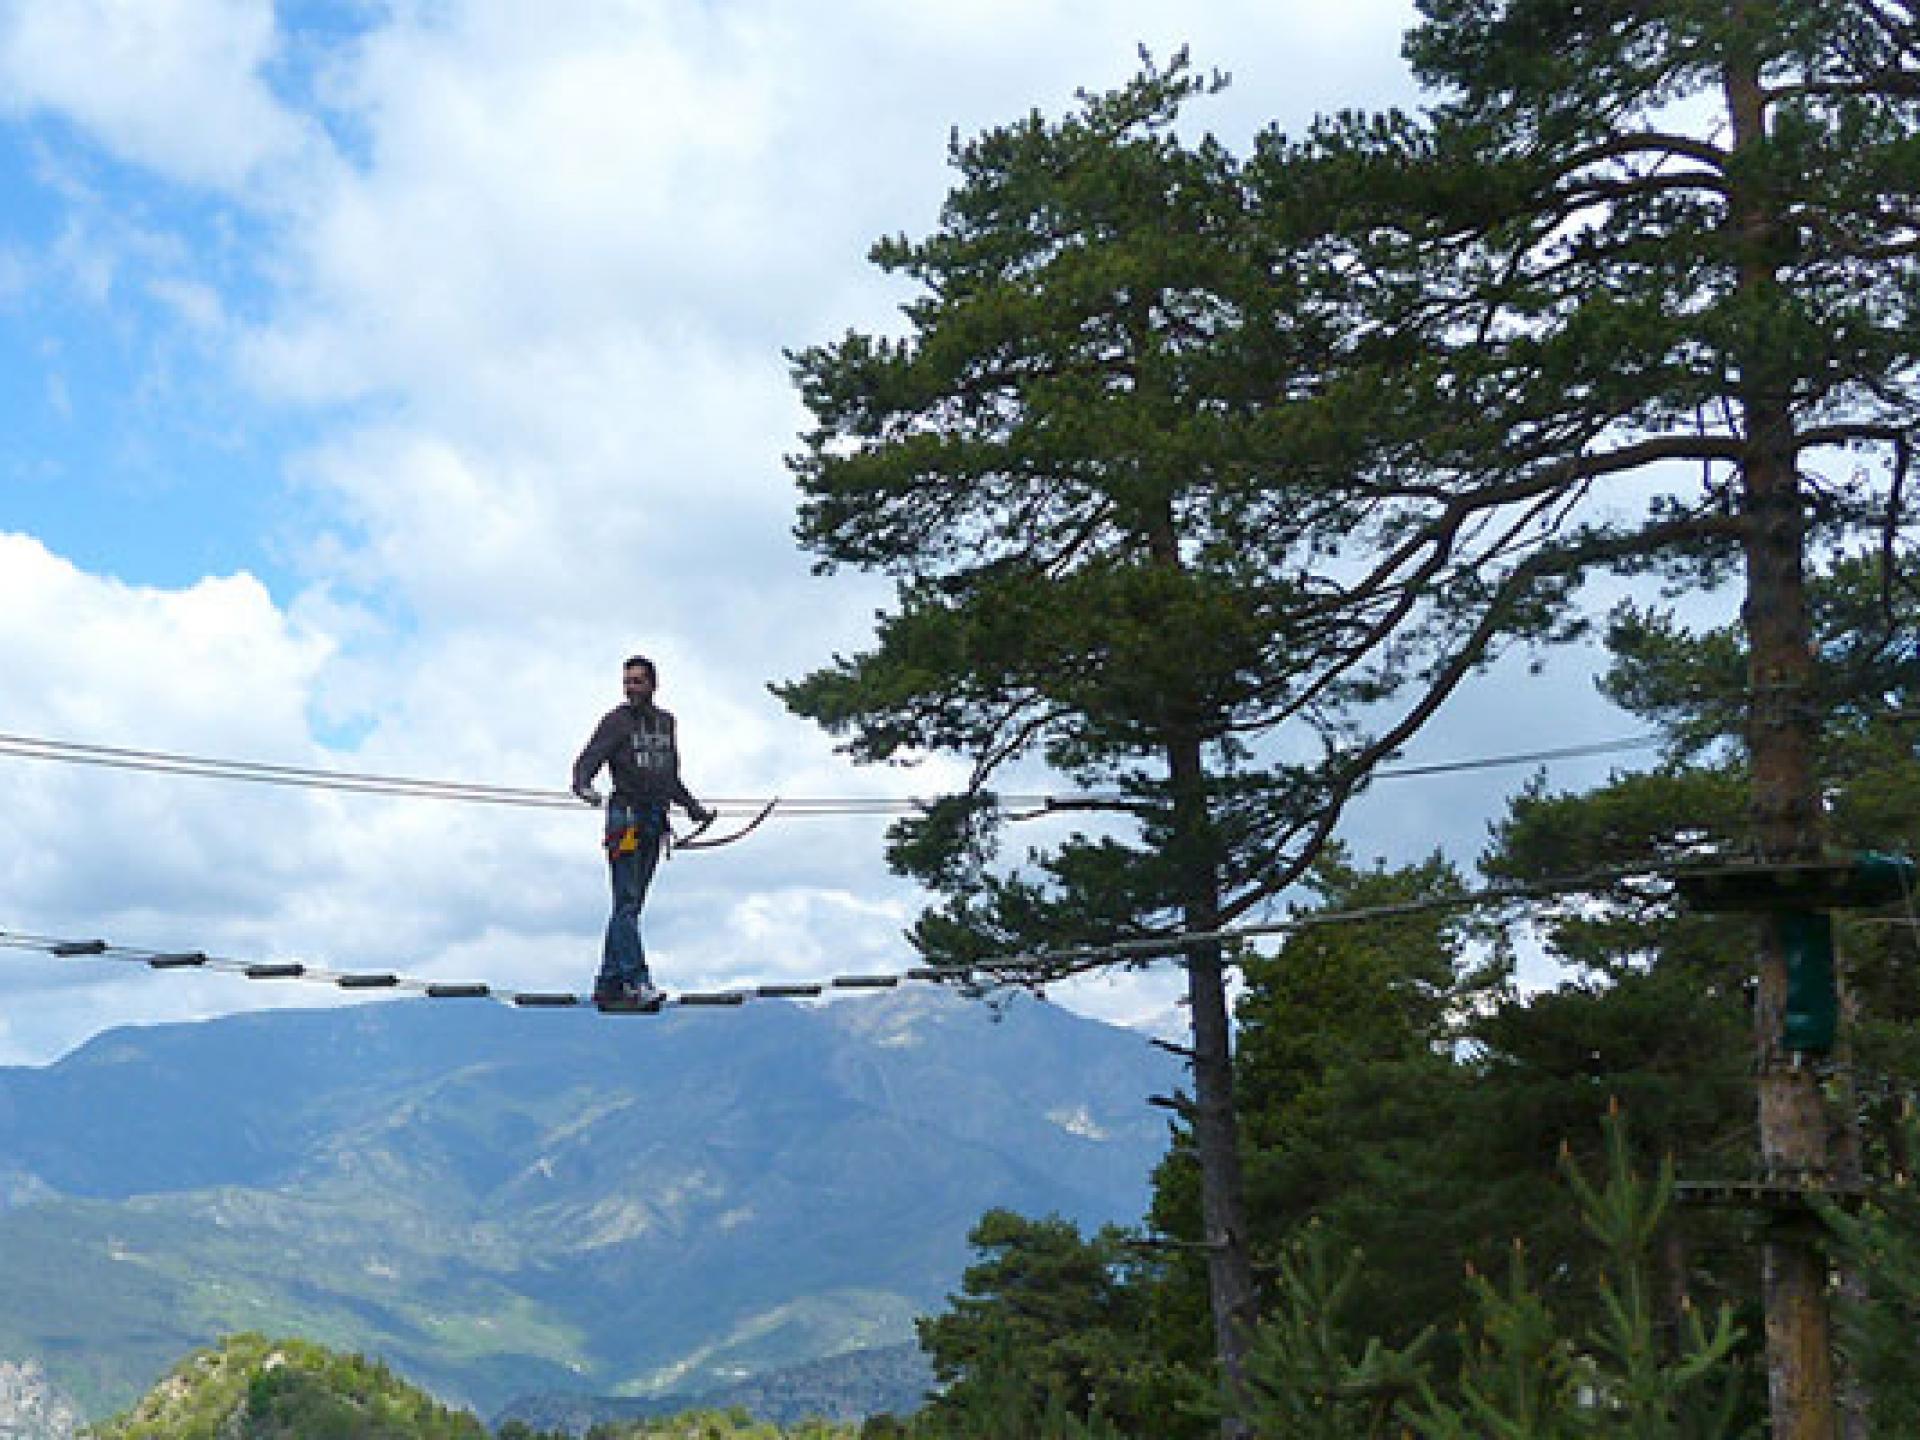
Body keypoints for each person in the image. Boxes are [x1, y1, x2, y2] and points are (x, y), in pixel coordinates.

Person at [572, 655, 712, 1010]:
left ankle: (609, 981)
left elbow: (669, 777)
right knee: (628, 905)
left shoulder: (666, 723)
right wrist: (584, 787)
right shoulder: (616, 721)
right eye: (627, 681)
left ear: (653, 684)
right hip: (625, 820)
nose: (630, 687)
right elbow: (586, 763)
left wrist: (692, 807)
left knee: (628, 906)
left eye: (637, 681)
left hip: (653, 820)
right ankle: (636, 979)